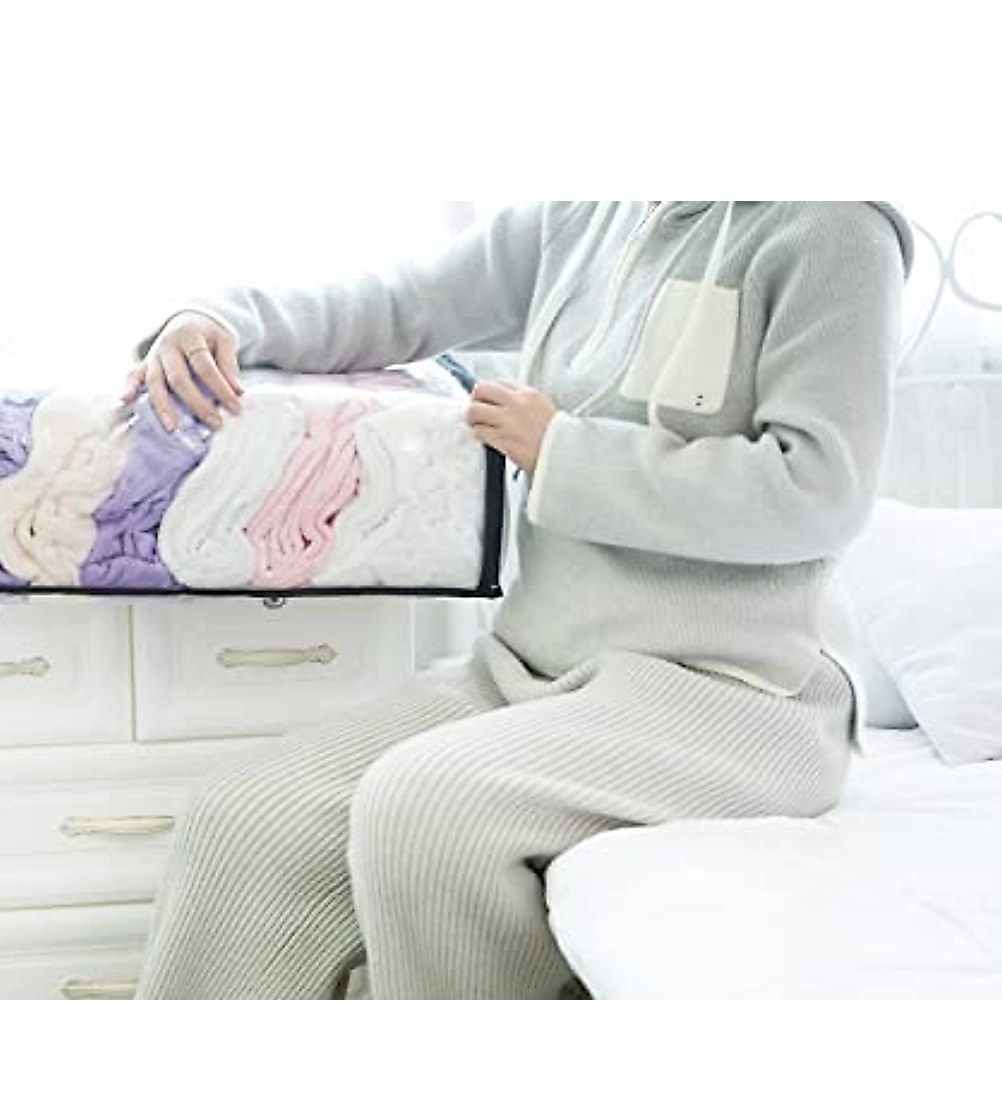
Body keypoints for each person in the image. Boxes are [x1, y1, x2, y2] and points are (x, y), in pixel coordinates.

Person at [121, 201, 914, 1001]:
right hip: (537, 667)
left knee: (426, 810)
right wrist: (222, 320)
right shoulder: (587, 211)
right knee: (245, 818)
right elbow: (402, 305)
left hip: (741, 695)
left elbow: (821, 490)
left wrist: (564, 451)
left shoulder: (835, 230)